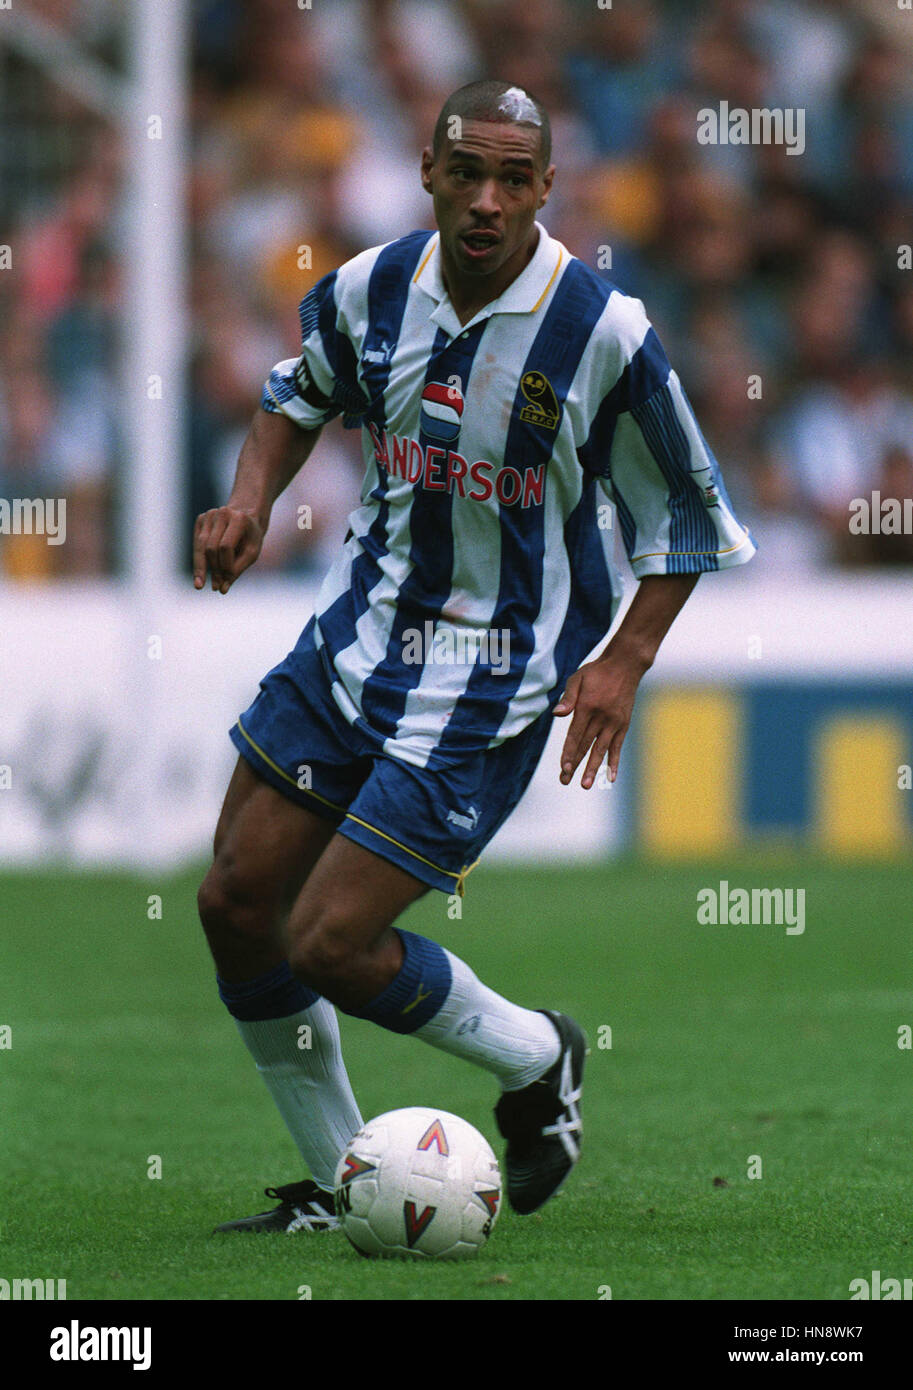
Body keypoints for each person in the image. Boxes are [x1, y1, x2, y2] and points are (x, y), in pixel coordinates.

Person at [193, 79, 756, 1234]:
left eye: (514, 178)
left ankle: (536, 1054)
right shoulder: (371, 286)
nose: (487, 199)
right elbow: (296, 398)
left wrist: (624, 659)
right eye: (467, 173)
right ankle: (330, 1183)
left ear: (548, 189)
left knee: (331, 942)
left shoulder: (602, 331)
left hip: (490, 681)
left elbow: (688, 514)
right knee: (236, 901)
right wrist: (249, 501)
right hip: (354, 643)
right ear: (429, 174)